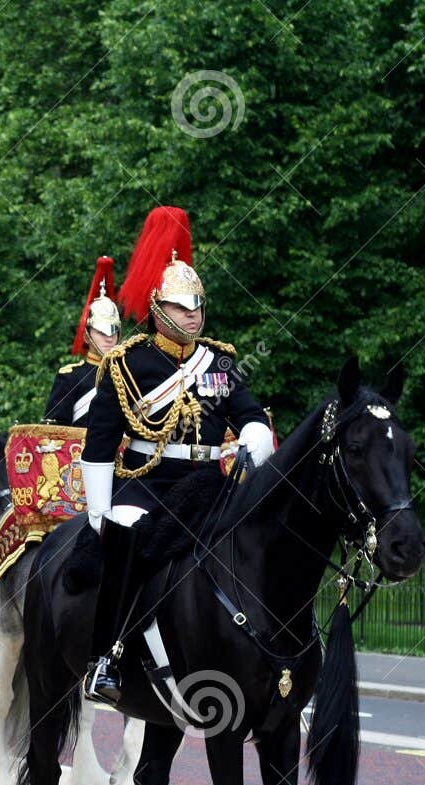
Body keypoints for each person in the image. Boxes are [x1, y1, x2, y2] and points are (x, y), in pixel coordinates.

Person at [79, 206, 276, 703]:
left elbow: (250, 413)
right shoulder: (129, 363)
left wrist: (254, 438)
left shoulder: (220, 362)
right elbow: (100, 443)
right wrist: (99, 510)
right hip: (147, 483)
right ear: (159, 307)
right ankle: (110, 655)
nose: (193, 314)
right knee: (127, 540)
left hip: (210, 482)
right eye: (182, 306)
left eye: (198, 306)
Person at [45, 256, 121, 425]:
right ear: (87, 336)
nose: (109, 337)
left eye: (113, 331)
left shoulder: (127, 375)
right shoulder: (70, 377)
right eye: (101, 332)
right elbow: (55, 431)